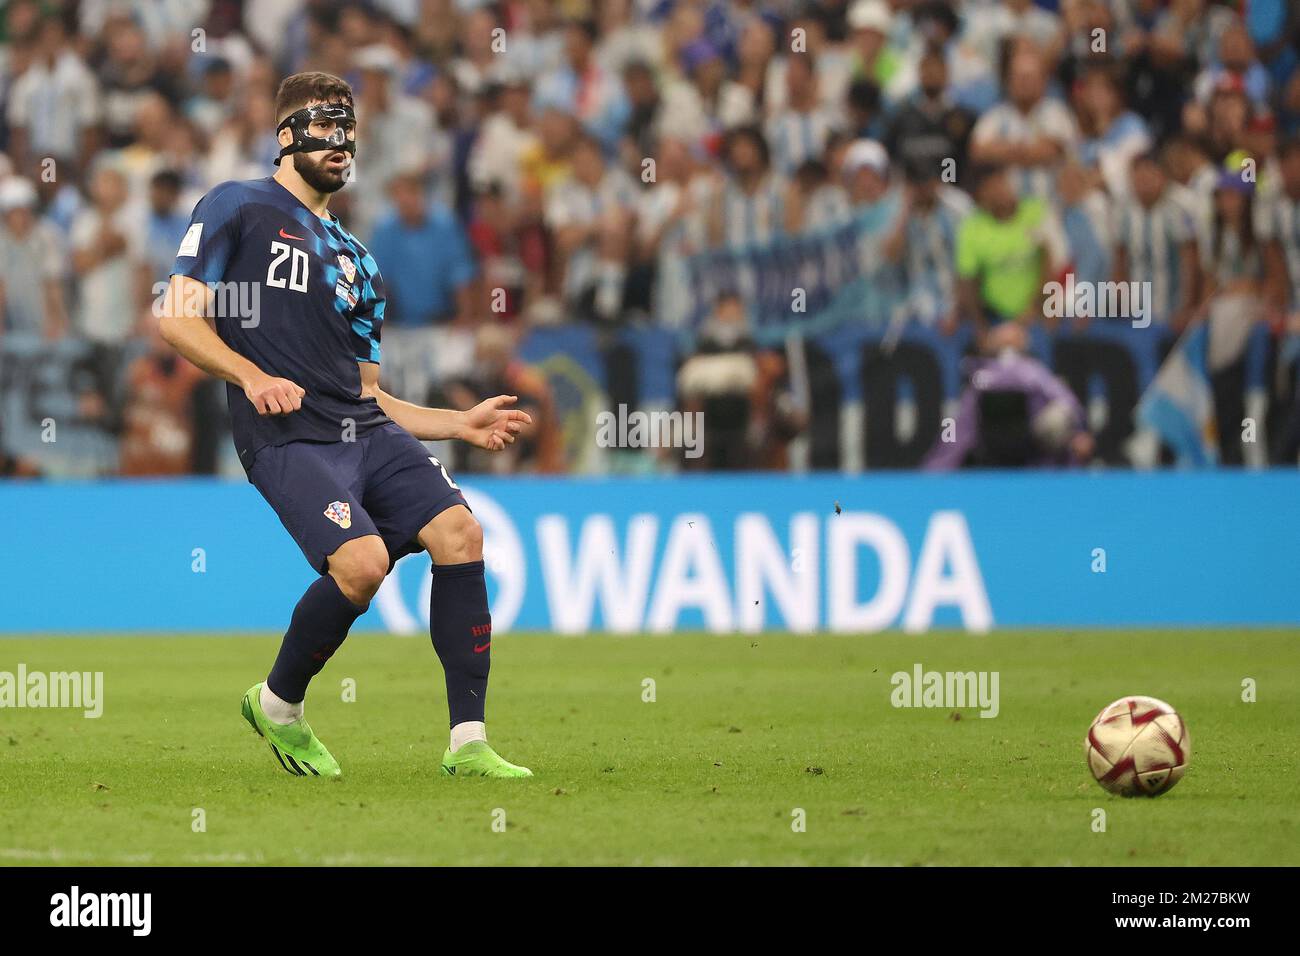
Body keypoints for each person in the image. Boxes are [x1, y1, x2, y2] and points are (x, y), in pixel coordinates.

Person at [158, 72, 533, 779]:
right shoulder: (236, 206)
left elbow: (371, 394)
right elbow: (175, 316)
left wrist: (458, 423)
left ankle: (468, 744)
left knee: (462, 532)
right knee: (361, 566)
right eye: (325, 125)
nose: (342, 139)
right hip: (287, 434)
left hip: (362, 428)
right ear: (286, 136)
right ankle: (278, 706)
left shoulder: (358, 261)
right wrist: (250, 374)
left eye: (349, 127)